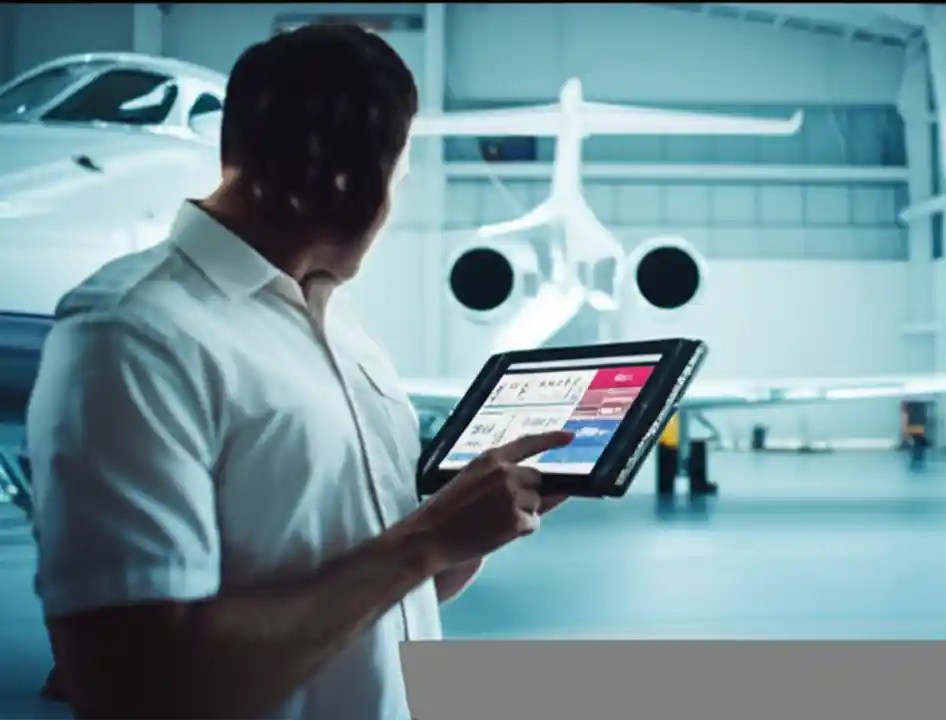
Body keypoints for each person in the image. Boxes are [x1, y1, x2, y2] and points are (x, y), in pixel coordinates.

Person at [25, 24, 574, 719]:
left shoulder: (351, 343)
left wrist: (466, 530)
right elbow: (136, 684)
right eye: (399, 177)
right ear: (350, 177)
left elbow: (389, 592)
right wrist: (424, 541)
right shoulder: (135, 334)